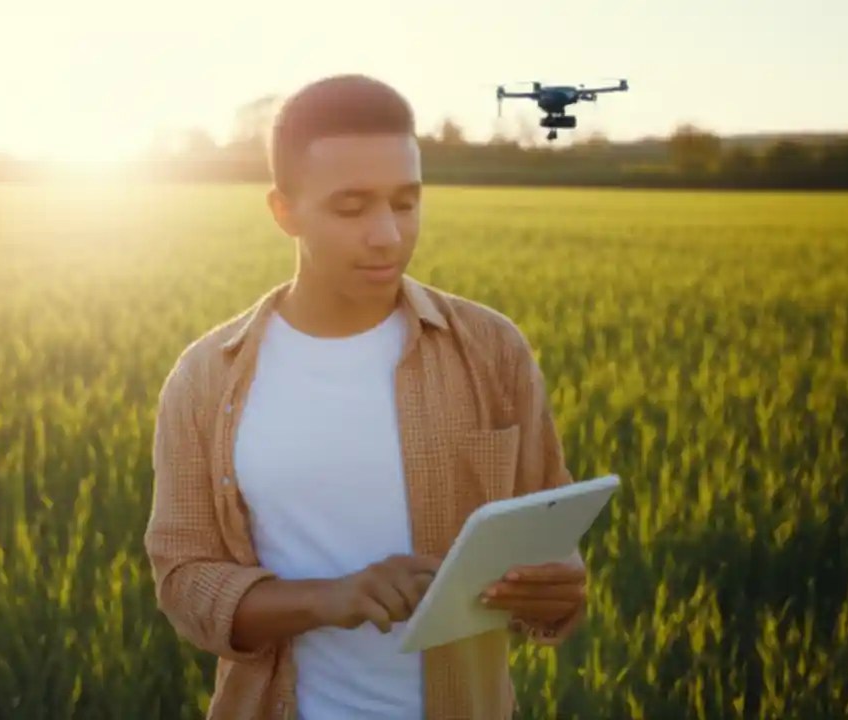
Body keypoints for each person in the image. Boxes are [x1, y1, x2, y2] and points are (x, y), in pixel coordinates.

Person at [143, 74, 587, 720]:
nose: (386, 234)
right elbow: (184, 582)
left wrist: (557, 591)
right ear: (283, 211)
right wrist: (330, 599)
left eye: (405, 203)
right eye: (351, 208)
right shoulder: (208, 378)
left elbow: (550, 540)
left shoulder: (492, 351)